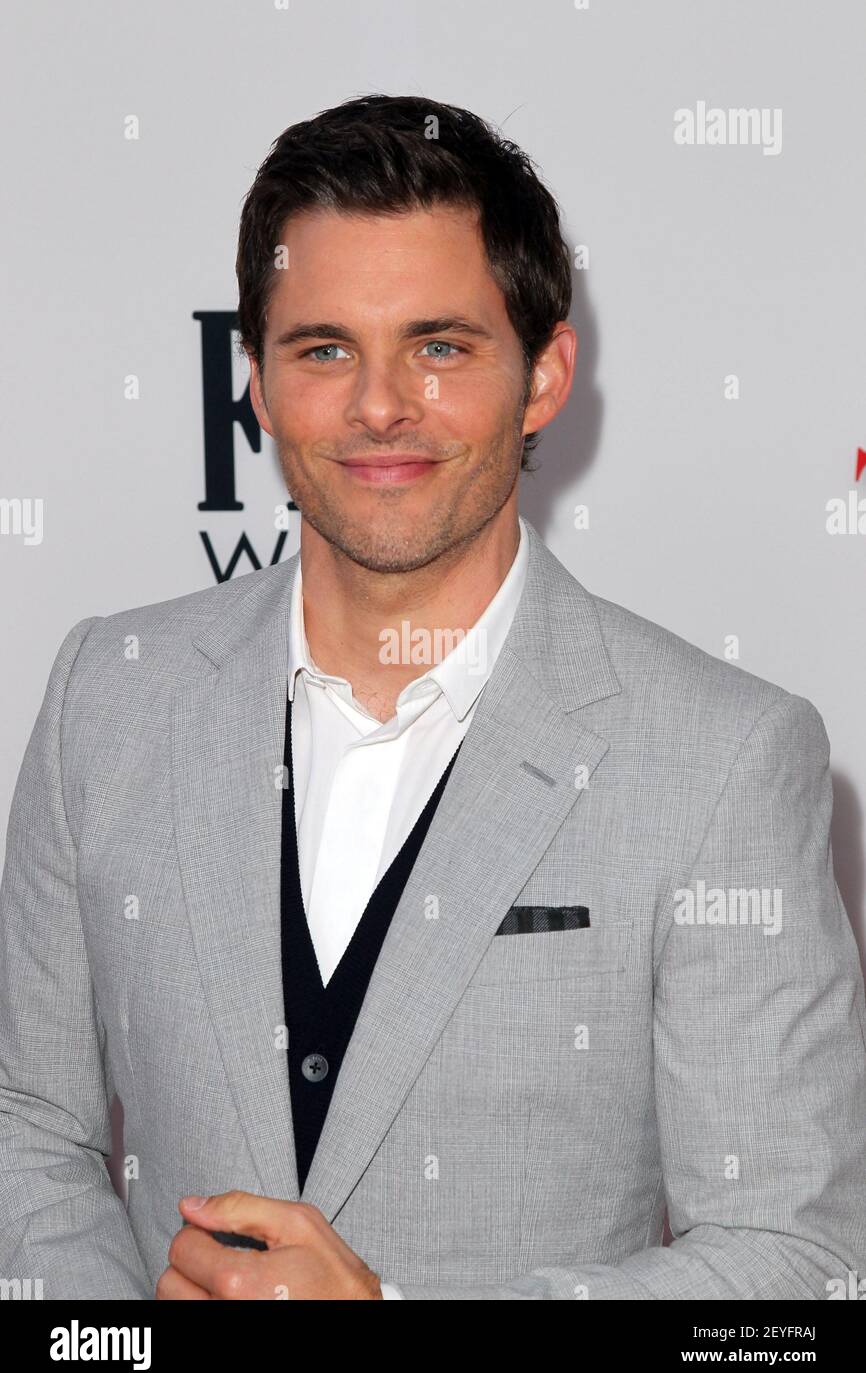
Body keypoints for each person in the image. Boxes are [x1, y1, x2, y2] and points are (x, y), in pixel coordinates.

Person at [1, 94, 864, 1300]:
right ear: (253, 377)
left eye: (441, 346)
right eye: (324, 349)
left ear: (545, 372)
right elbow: (26, 1126)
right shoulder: (107, 694)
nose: (378, 406)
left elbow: (797, 1268)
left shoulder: (722, 757)